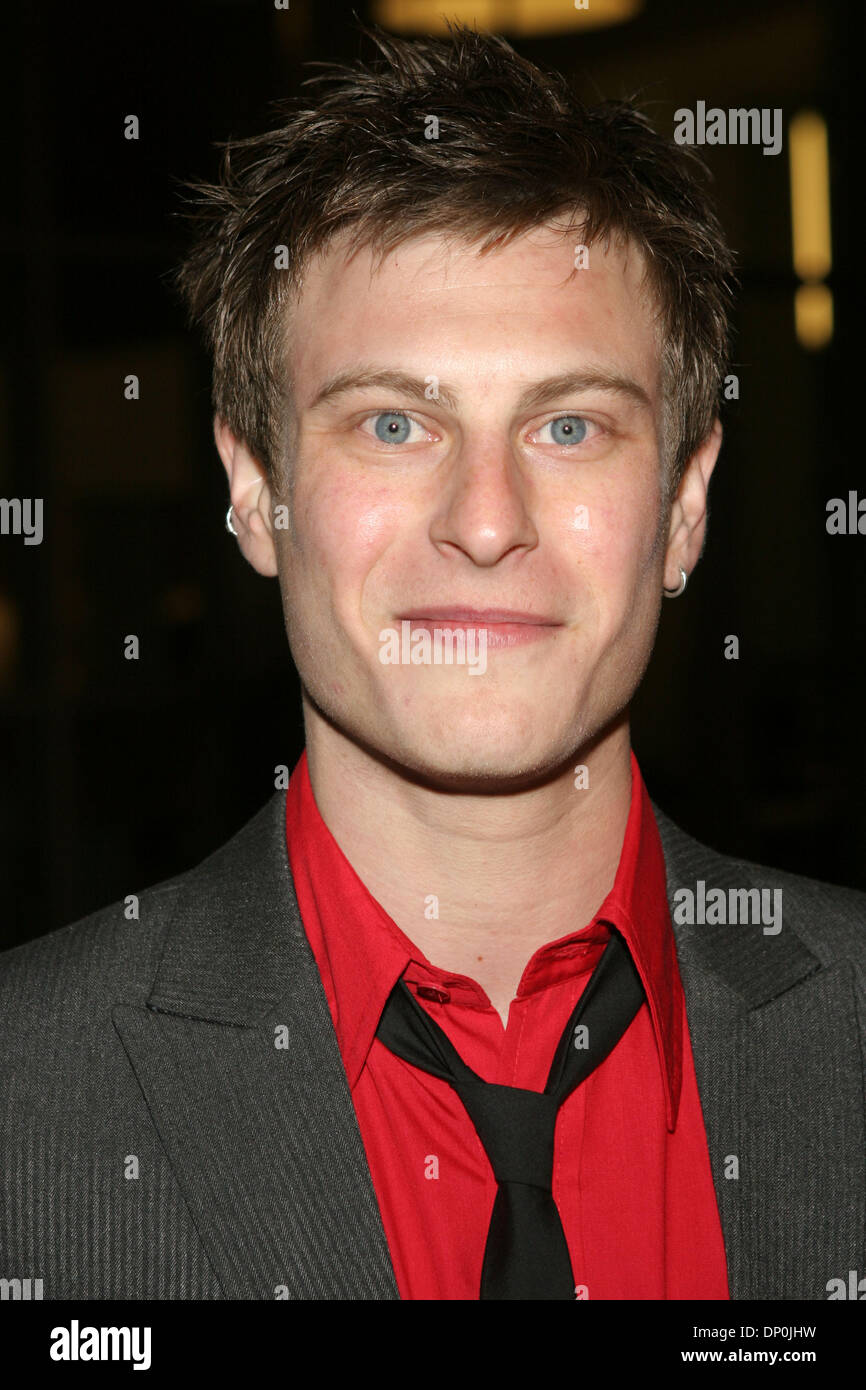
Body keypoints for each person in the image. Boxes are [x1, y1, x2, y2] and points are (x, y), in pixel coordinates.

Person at [1, 23, 863, 1303]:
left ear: (684, 506)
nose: (483, 517)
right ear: (253, 490)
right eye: (393, 423)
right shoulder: (26, 1103)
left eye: (568, 426)